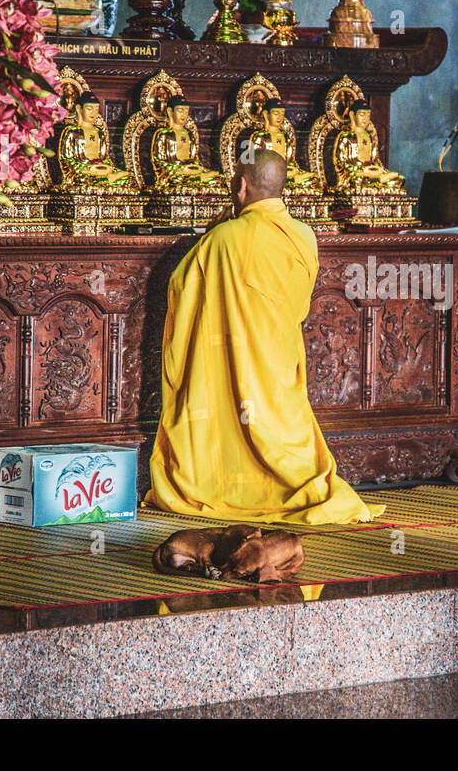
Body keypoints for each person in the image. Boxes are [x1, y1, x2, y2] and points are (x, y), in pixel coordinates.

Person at [146, 148, 383, 525]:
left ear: (240, 186)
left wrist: (215, 235)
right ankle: (292, 484)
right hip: (279, 354)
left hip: (235, 353)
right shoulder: (303, 235)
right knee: (280, 420)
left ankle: (229, 489)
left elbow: (180, 286)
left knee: (231, 413)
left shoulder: (223, 239)